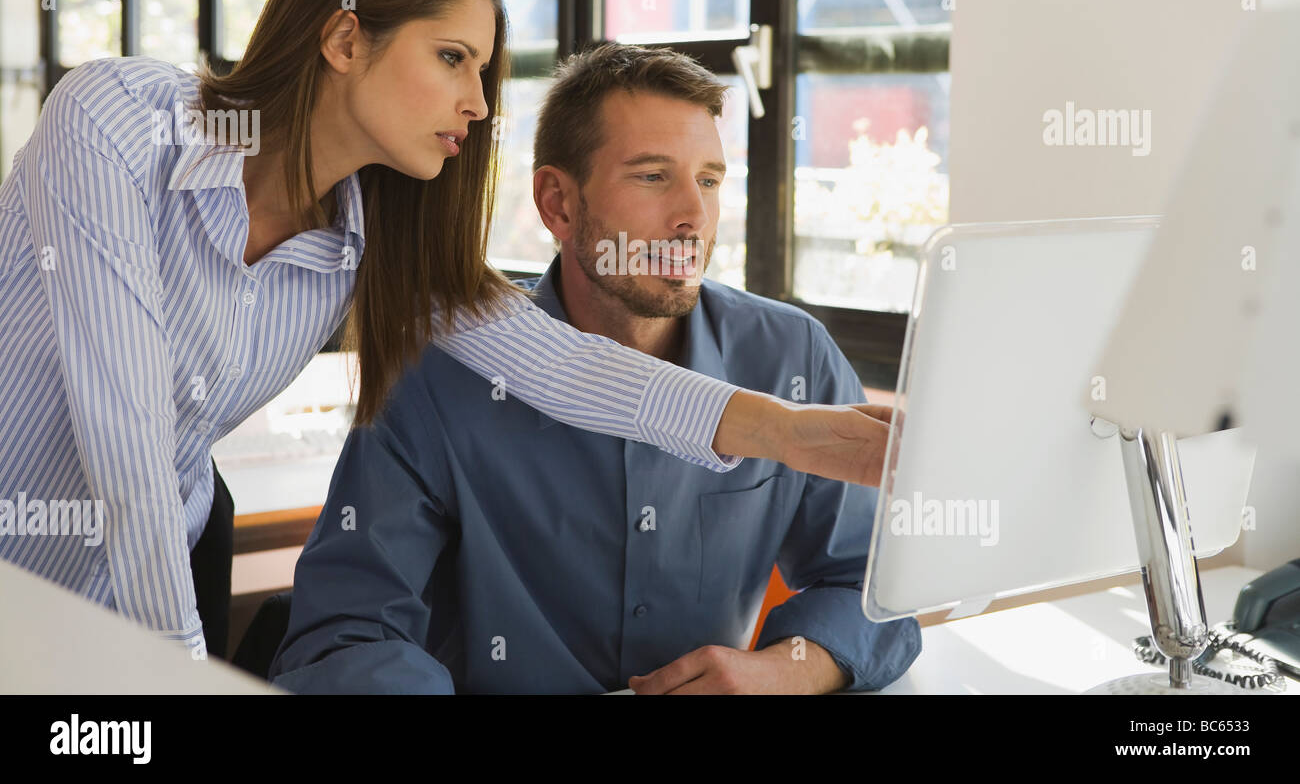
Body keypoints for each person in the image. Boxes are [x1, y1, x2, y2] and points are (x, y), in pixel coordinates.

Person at [0, 0, 892, 663]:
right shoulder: (116, 121)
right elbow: (125, 440)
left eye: (483, 72)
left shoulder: (372, 237)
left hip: (151, 566)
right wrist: (183, 681)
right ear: (346, 37)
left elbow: (564, 367)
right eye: (453, 58)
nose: (477, 102)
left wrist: (794, 431)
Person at [268, 44, 920, 693]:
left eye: (710, 179)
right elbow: (349, 634)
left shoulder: (790, 355)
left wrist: (783, 672)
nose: (694, 216)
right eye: (652, 176)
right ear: (558, 204)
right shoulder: (436, 373)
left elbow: (875, 587)